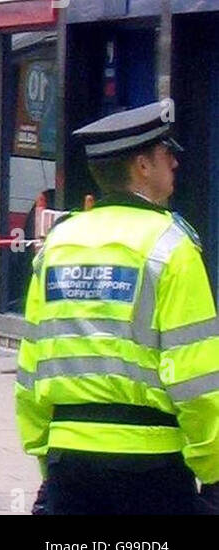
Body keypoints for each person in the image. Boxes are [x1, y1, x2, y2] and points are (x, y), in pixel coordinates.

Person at [16, 99, 219, 515]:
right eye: (167, 154)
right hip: (153, 465)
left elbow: (31, 368)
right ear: (143, 167)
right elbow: (196, 379)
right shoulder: (171, 247)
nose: (175, 165)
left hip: (69, 461)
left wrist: (45, 459)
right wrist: (212, 467)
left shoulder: (58, 244)